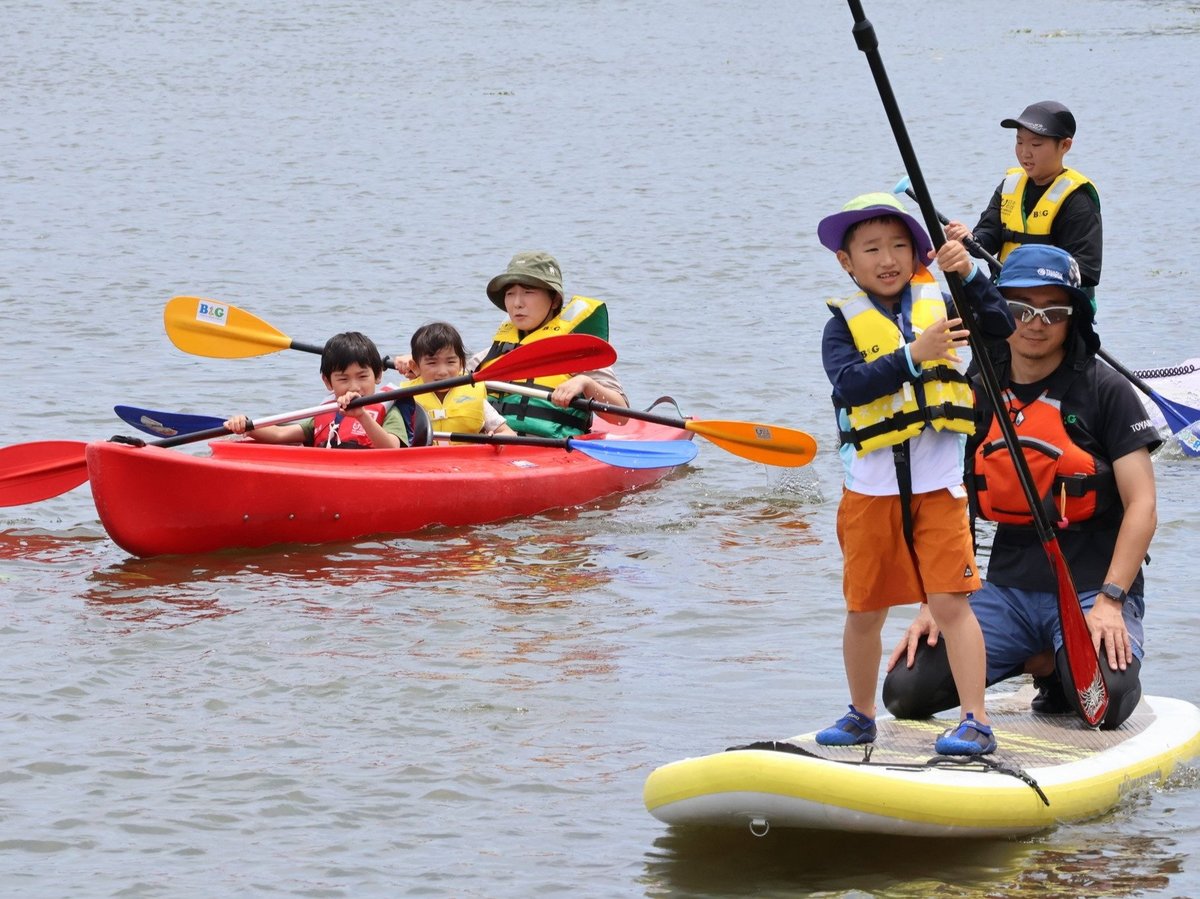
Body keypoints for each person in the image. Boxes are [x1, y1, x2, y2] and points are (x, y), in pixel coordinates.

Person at [883, 245, 1158, 729]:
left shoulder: (1106, 390)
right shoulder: (976, 391)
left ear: (1074, 318)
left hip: (1092, 587)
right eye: (1021, 309)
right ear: (998, 312)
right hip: (1008, 590)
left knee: (1103, 701)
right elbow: (948, 502)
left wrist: (1112, 601)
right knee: (906, 692)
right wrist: (934, 602)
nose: (1036, 322)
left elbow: (1143, 506)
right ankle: (1042, 659)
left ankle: (1062, 667)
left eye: (1053, 310)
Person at [816, 192, 1016, 756]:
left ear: (918, 253)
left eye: (900, 246)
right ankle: (860, 713)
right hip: (870, 491)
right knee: (864, 609)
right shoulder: (840, 326)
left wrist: (970, 274)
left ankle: (975, 720)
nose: (888, 259)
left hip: (939, 488)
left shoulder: (945, 300)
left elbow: (1000, 324)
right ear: (847, 262)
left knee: (952, 604)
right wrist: (911, 354)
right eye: (871, 248)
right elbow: (849, 385)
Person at [945, 101, 1102, 295]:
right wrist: (969, 239)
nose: (1024, 152)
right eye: (1019, 142)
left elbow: (1087, 271)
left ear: (1065, 145)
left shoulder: (1077, 199)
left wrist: (1030, 277)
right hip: (1007, 295)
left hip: (1055, 303)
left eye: (1036, 144)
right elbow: (988, 237)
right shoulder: (1009, 187)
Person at [470, 251, 628, 438]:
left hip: (554, 452)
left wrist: (586, 383)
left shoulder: (578, 355)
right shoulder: (487, 357)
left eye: (528, 292)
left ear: (554, 301)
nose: (517, 303)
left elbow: (620, 417)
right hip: (491, 449)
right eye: (510, 294)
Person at [224, 331, 412, 449]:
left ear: (378, 376)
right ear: (328, 383)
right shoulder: (325, 412)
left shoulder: (389, 411)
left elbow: (392, 449)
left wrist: (362, 416)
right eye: (343, 379)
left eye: (363, 377)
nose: (354, 386)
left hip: (369, 478)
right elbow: (280, 435)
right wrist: (247, 427)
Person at [404, 321, 516, 439]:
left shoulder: (475, 395)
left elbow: (509, 434)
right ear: (415, 367)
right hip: (425, 457)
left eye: (451, 362)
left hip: (467, 456)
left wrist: (494, 439)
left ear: (461, 364)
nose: (443, 371)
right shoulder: (404, 400)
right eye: (432, 363)